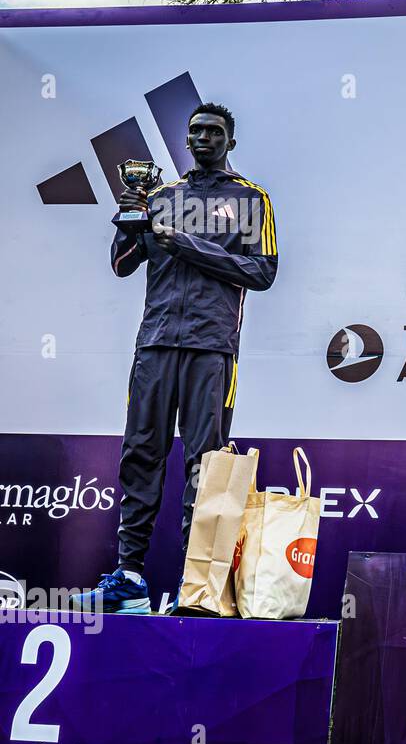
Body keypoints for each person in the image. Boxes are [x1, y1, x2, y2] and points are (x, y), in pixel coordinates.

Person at [72, 103, 278, 613]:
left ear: (230, 141)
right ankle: (129, 579)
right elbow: (123, 265)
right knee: (141, 454)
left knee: (204, 464)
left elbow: (262, 272)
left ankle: (197, 584)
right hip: (156, 344)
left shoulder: (252, 199)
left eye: (214, 132)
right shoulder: (163, 197)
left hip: (211, 347)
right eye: (195, 132)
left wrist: (182, 243)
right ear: (186, 141)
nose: (203, 138)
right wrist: (130, 221)